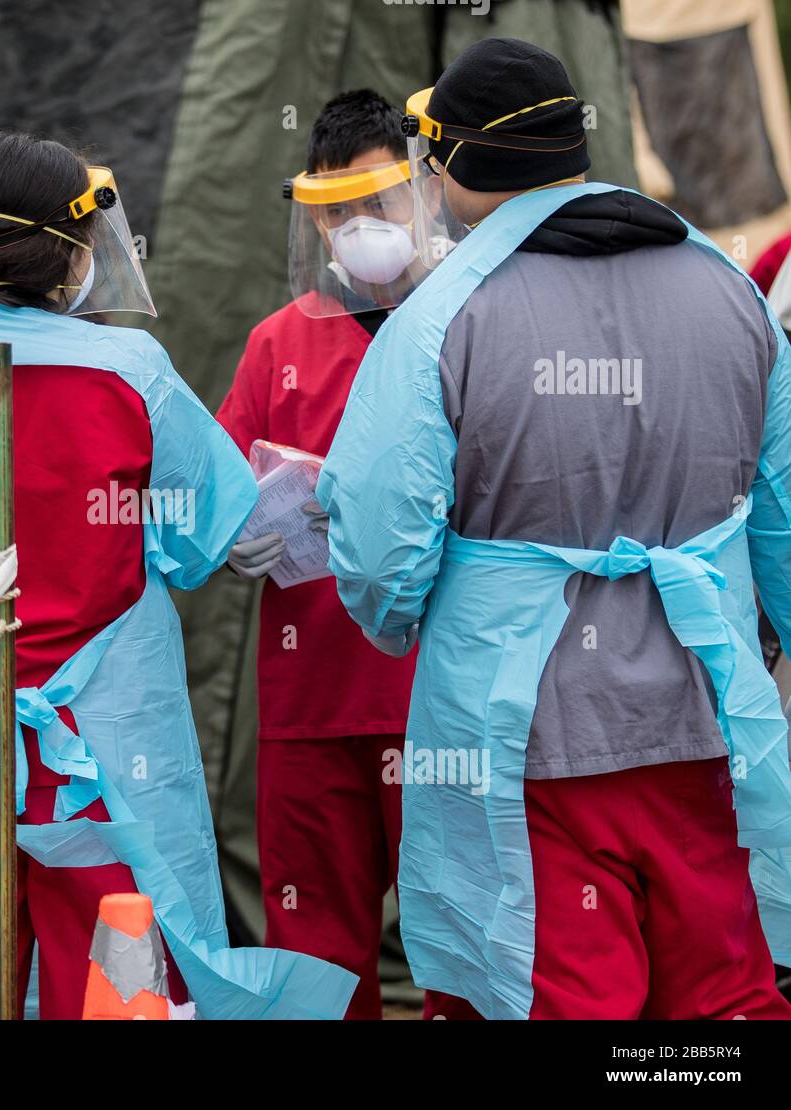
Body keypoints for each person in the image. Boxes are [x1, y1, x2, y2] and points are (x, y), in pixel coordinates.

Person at [0, 131, 358, 1019]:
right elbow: (206, 539)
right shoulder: (130, 374)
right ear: (75, 252)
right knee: (116, 990)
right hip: (101, 759)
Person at [319, 36, 791, 1019]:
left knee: (555, 993)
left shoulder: (437, 318)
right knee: (721, 1002)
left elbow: (377, 550)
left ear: (441, 167)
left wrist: (404, 620)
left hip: (521, 727)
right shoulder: (729, 290)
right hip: (710, 719)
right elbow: (783, 513)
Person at [217, 90, 430, 1019]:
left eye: (378, 206)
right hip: (310, 704)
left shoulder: (473, 323)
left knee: (465, 938)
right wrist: (235, 539)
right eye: (338, 213)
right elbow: (218, 494)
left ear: (423, 196)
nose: (360, 231)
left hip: (442, 699)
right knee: (314, 953)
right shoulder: (278, 342)